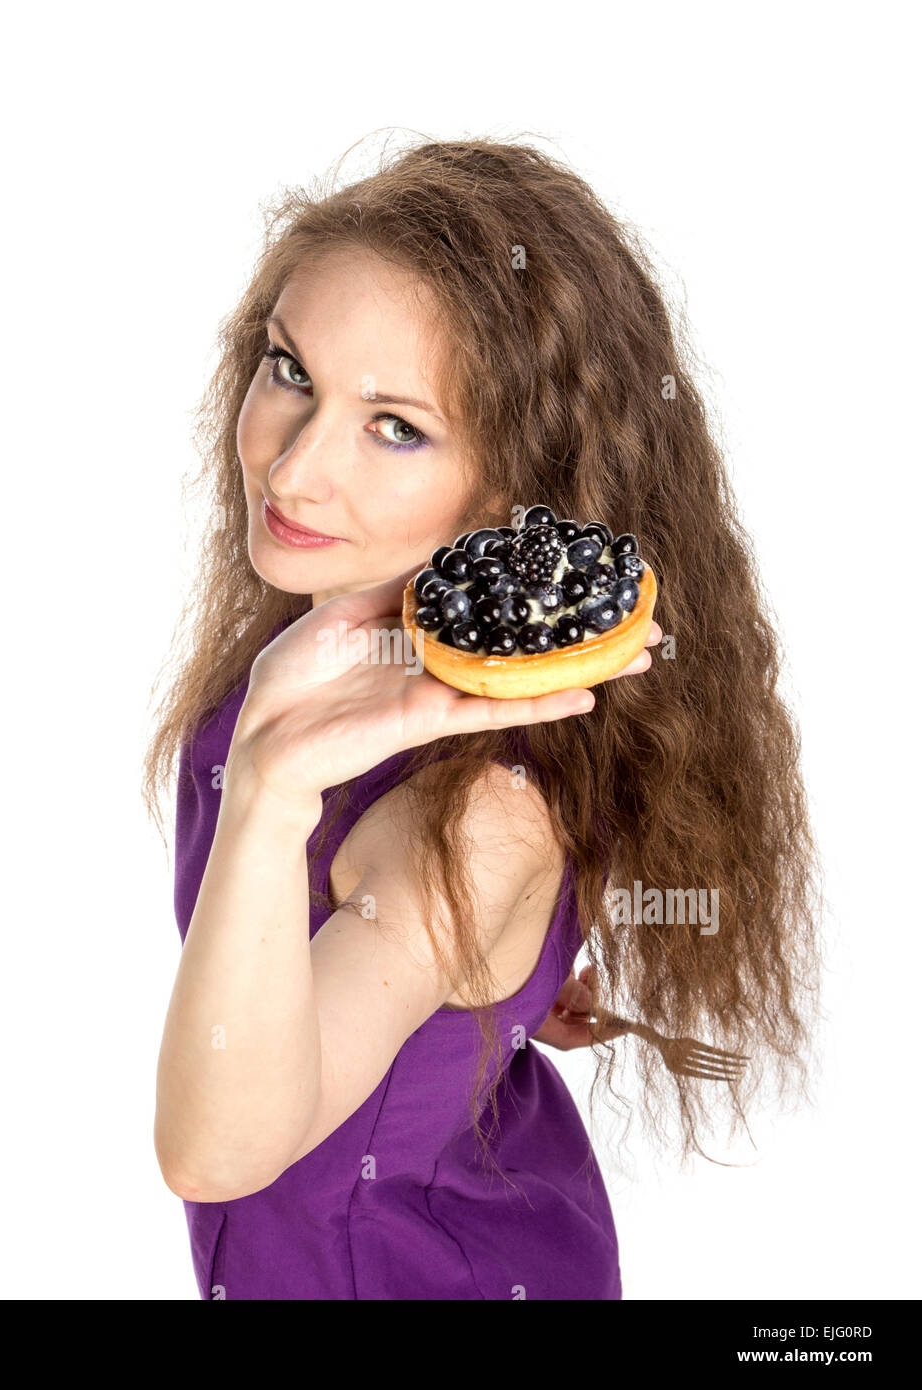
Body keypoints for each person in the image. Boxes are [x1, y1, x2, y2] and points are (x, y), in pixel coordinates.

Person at [143, 137, 822, 1300]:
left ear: (516, 493)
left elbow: (217, 1151)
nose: (294, 470)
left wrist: (267, 804)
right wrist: (488, 987)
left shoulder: (479, 814)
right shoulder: (346, 638)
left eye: (396, 426)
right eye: (290, 369)